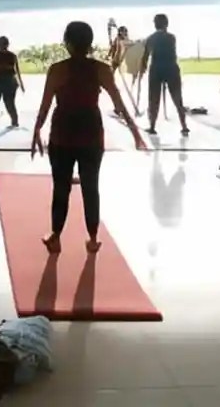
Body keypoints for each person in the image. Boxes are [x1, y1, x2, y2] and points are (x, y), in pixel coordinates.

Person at [30, 21, 144, 253]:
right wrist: (135, 131)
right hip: (91, 134)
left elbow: (45, 105)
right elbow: (118, 103)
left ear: (67, 43)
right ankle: (93, 239)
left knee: (61, 187)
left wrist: (36, 130)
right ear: (90, 43)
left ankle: (56, 236)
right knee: (91, 187)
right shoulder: (100, 69)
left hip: (62, 135)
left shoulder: (57, 69)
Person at [137, 13, 189, 136]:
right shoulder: (172, 37)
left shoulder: (151, 38)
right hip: (171, 68)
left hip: (156, 69)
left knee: (154, 98)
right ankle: (184, 126)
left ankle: (152, 126)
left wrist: (142, 69)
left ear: (155, 24)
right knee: (177, 98)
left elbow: (145, 56)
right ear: (167, 24)